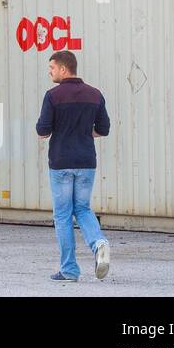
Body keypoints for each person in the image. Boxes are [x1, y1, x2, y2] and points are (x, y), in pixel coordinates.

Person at [35, 50, 111, 281]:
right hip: (86, 161)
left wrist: (52, 131)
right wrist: (85, 132)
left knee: (63, 215)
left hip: (61, 163)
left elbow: (42, 130)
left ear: (63, 69)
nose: (50, 72)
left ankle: (69, 269)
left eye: (52, 68)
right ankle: (99, 243)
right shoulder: (95, 94)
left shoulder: (53, 96)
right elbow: (104, 129)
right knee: (83, 209)